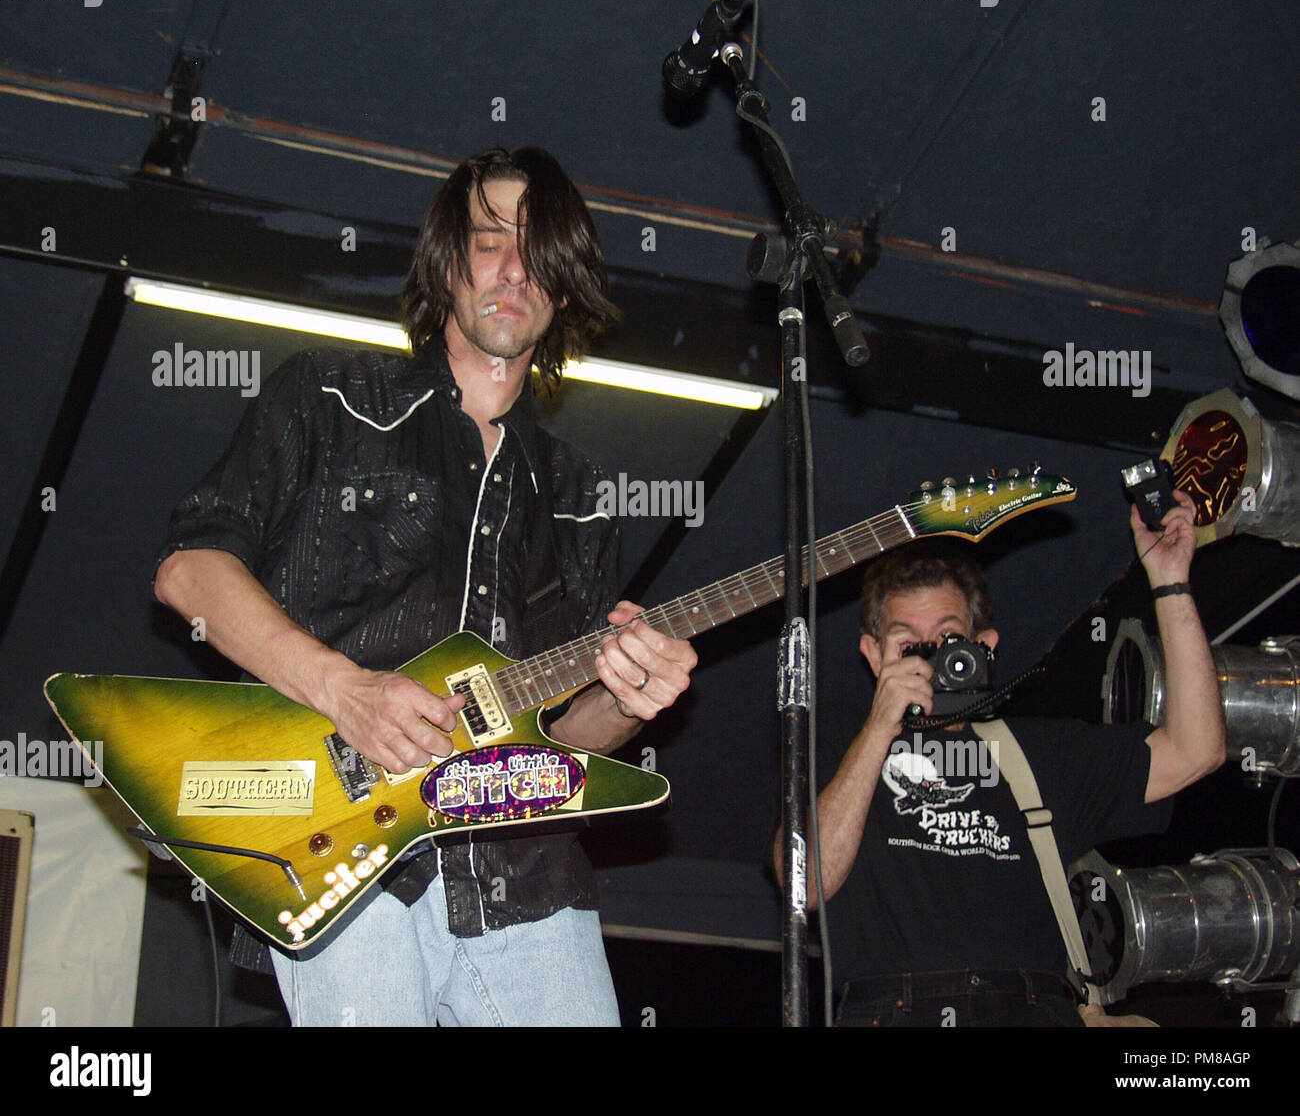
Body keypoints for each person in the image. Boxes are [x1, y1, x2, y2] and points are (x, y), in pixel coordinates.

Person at [153, 146, 697, 1026]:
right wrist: (347, 689)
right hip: (345, 843)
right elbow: (190, 570)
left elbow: (568, 733)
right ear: (447, 264)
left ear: (564, 288)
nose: (515, 269)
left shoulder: (579, 494)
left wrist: (634, 700)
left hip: (526, 872)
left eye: (539, 251)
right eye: (490, 242)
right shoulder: (327, 397)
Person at [777, 492, 1224, 1025]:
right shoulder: (835, 739)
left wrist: (1170, 581)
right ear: (872, 655)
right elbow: (802, 886)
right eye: (906, 642)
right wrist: (880, 728)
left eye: (947, 638)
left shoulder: (1039, 751)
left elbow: (1197, 751)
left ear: (982, 647)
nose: (927, 656)